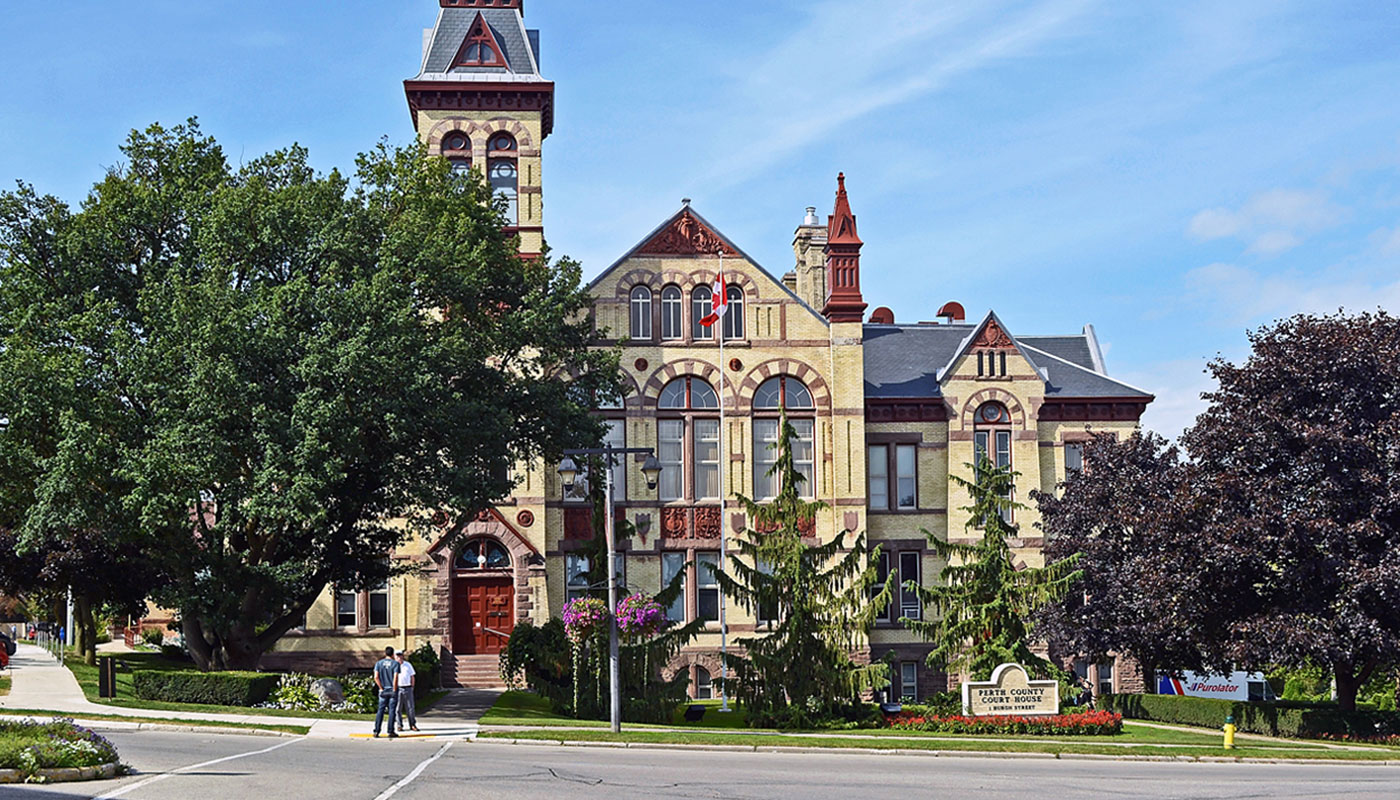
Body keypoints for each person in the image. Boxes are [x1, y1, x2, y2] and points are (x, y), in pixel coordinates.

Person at [372, 645, 400, 738]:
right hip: (392, 690)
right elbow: (395, 677)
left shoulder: (379, 663)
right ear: (392, 654)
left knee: (380, 710)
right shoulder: (395, 664)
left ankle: (376, 730)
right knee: (392, 711)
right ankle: (390, 731)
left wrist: (380, 687)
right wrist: (394, 688)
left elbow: (376, 677)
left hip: (383, 690)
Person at [394, 650, 419, 732]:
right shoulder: (394, 665)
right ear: (395, 657)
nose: (399, 658)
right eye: (397, 656)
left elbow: (412, 676)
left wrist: (412, 686)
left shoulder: (408, 665)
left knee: (410, 708)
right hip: (398, 688)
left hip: (407, 687)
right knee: (398, 708)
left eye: (400, 656)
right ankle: (399, 725)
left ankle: (412, 724)